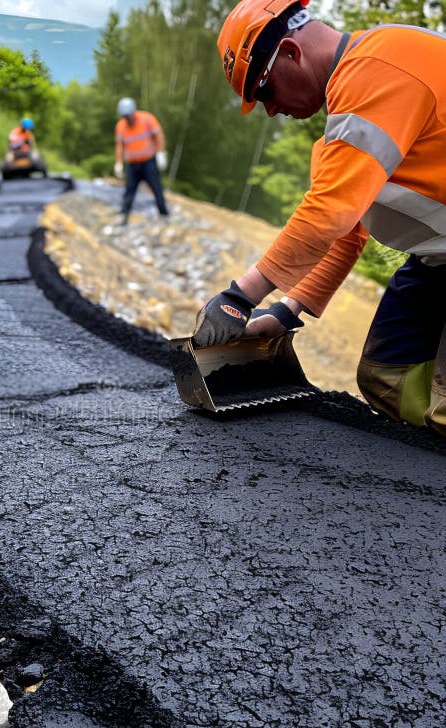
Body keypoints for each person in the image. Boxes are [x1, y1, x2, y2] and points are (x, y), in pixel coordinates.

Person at [194, 0, 446, 436]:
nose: (270, 110)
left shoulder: (381, 64)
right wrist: (285, 313)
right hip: (439, 259)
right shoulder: (344, 127)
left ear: (291, 52)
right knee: (386, 377)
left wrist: (239, 296)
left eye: (264, 90)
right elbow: (345, 234)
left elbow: (330, 212)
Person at [114, 98, 169, 224]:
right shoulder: (121, 126)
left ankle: (164, 213)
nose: (127, 118)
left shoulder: (147, 119)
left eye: (129, 115)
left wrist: (161, 153)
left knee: (156, 187)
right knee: (129, 190)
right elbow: (119, 145)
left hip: (148, 162)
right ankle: (124, 216)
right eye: (125, 116)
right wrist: (118, 163)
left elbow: (159, 135)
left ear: (133, 111)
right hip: (132, 165)